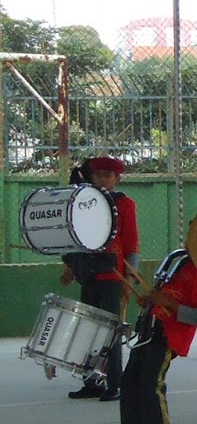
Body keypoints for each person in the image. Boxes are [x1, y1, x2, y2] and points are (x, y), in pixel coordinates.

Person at [109, 248, 197, 424]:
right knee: (130, 383)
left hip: (168, 333)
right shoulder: (177, 259)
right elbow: (162, 293)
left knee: (151, 385)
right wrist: (151, 300)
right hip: (150, 328)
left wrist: (167, 304)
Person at [61, 155, 140, 401]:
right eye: (97, 175)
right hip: (89, 273)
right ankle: (92, 381)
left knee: (111, 331)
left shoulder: (125, 203)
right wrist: (70, 267)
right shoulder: (84, 201)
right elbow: (76, 237)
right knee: (88, 329)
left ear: (117, 178)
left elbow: (132, 242)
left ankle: (115, 383)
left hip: (112, 275)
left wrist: (130, 277)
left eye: (107, 175)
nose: (102, 179)